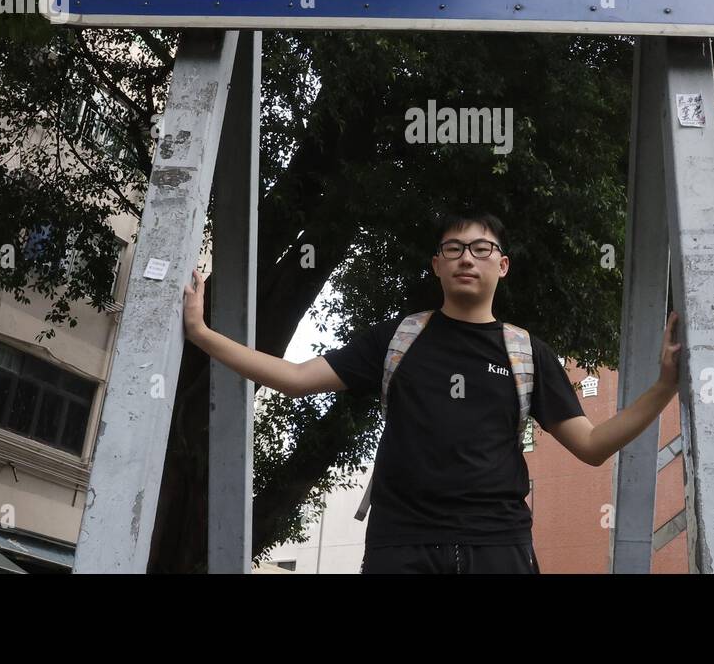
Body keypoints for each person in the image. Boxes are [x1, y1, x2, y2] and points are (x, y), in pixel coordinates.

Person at [181, 210, 681, 574]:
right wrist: (203, 334)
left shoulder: (527, 352)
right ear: (437, 264)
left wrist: (663, 387)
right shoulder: (397, 338)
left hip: (497, 545)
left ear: (502, 265)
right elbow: (292, 379)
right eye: (454, 249)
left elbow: (591, 447)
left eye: (481, 249)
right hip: (401, 544)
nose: (467, 258)